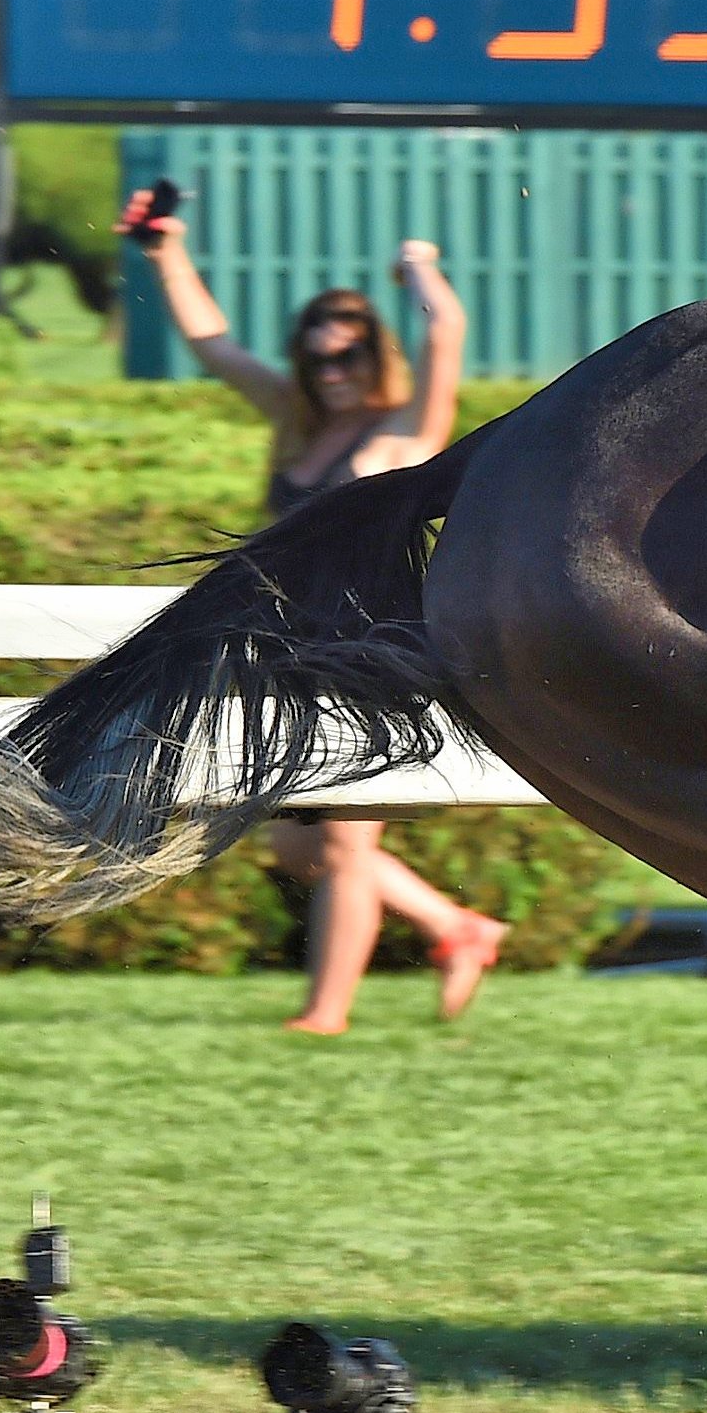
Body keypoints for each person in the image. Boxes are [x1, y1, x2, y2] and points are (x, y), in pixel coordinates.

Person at [121, 191, 507, 1031]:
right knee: (299, 847)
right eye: (318, 360)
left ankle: (324, 1016)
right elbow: (211, 345)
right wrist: (164, 254)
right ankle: (457, 926)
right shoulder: (295, 423)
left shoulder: (407, 424)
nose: (331, 374)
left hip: (372, 652)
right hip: (290, 650)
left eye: (347, 358)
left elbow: (444, 336)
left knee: (342, 846)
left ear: (376, 356)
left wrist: (421, 275)